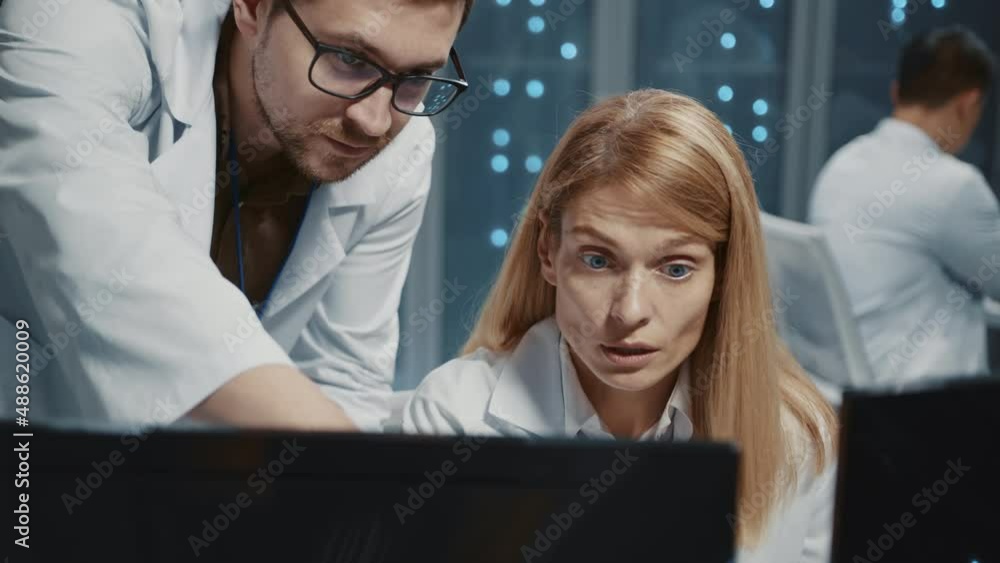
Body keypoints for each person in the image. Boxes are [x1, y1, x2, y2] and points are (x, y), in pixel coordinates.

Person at [403, 90, 838, 562]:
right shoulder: (453, 419)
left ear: (723, 272)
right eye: (597, 260)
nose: (629, 312)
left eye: (676, 269)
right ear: (548, 251)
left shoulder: (800, 439)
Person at [0, 0, 474, 431]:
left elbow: (343, 381)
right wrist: (355, 470)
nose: (374, 121)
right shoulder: (82, 19)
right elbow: (110, 261)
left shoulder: (401, 146)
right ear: (253, 8)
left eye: (416, 77)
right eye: (349, 60)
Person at [808, 26, 998, 388]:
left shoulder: (841, 164)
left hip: (844, 391)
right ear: (968, 104)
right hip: (918, 403)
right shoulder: (953, 185)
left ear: (896, 92)